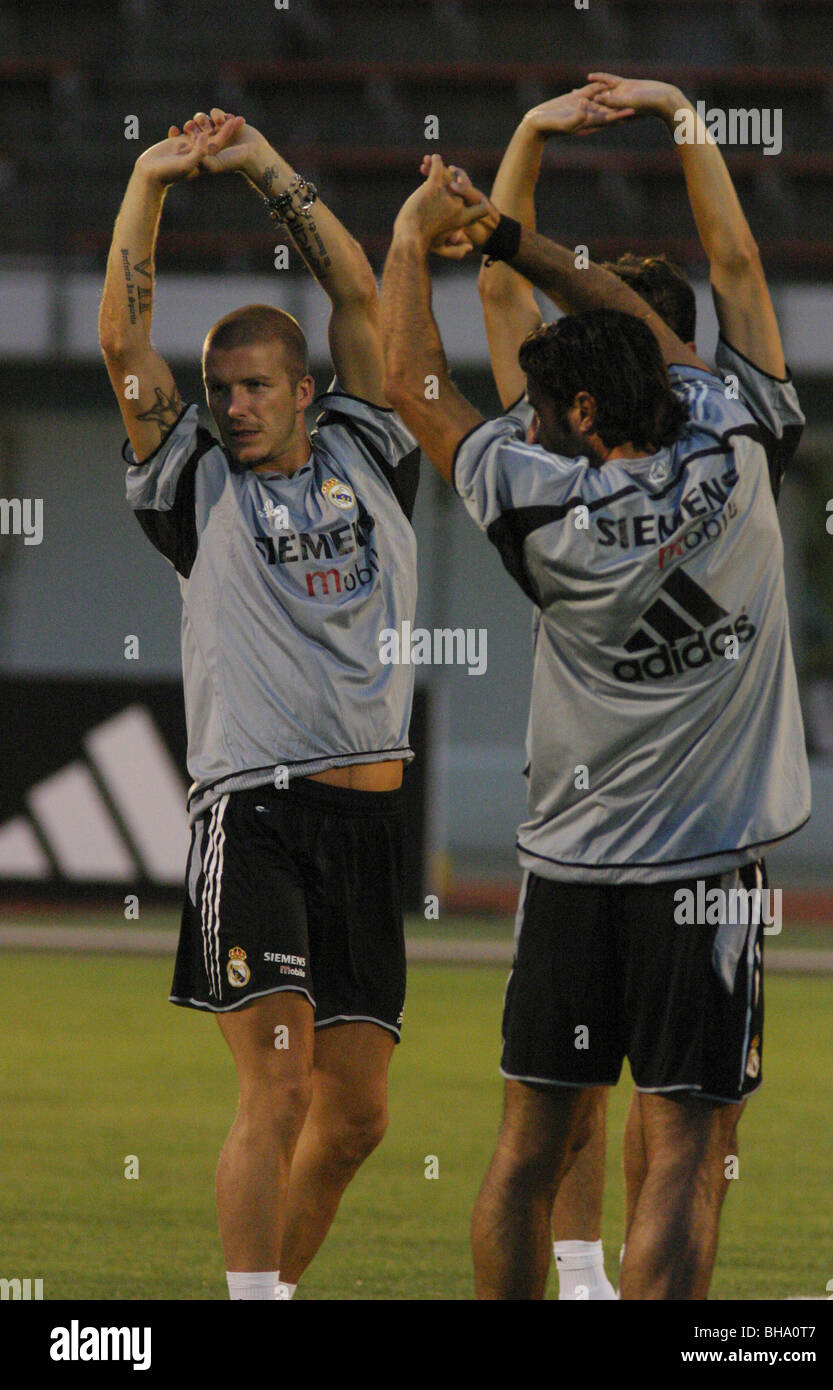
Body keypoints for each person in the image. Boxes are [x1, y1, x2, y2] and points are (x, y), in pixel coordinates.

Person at [379, 151, 810, 1299]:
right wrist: (519, 243)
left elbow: (411, 381)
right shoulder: (733, 444)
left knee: (526, 1151)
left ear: (577, 413)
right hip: (709, 872)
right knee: (682, 1152)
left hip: (569, 875)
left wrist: (413, 240)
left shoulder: (539, 509)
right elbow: (637, 313)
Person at [98, 110, 421, 1300]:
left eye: (251, 387)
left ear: (303, 388)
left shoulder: (372, 447)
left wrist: (271, 172)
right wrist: (150, 181)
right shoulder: (193, 486)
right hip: (257, 812)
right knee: (277, 1085)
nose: (229, 406)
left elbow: (362, 292)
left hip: (369, 816)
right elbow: (122, 340)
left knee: (357, 1119)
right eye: (217, 388)